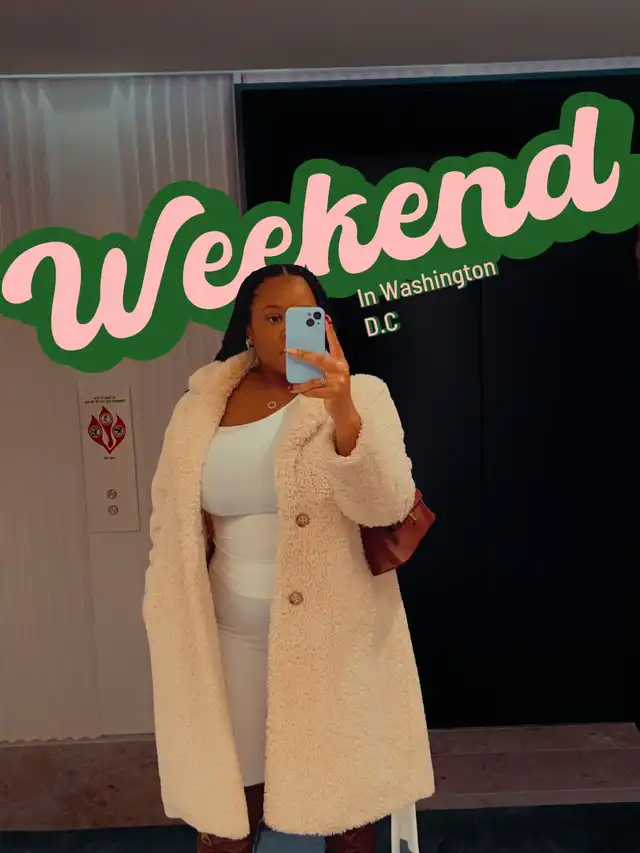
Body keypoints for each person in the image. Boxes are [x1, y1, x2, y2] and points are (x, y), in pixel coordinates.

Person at [142, 264, 434, 853]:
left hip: (334, 641)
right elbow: (169, 522)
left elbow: (387, 505)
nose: (285, 330)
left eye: (301, 317)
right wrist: (159, 607)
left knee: (347, 814)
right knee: (226, 816)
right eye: (272, 317)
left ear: (322, 323)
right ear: (248, 328)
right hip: (228, 641)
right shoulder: (198, 410)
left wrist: (343, 412)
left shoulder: (362, 395)